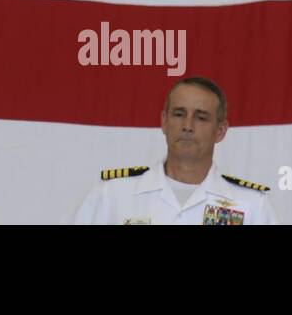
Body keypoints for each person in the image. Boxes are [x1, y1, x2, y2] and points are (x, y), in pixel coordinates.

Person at [72, 76, 279, 224]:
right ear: (164, 122)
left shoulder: (251, 205)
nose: (187, 126)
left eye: (201, 117)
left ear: (220, 131)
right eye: (179, 114)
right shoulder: (112, 195)